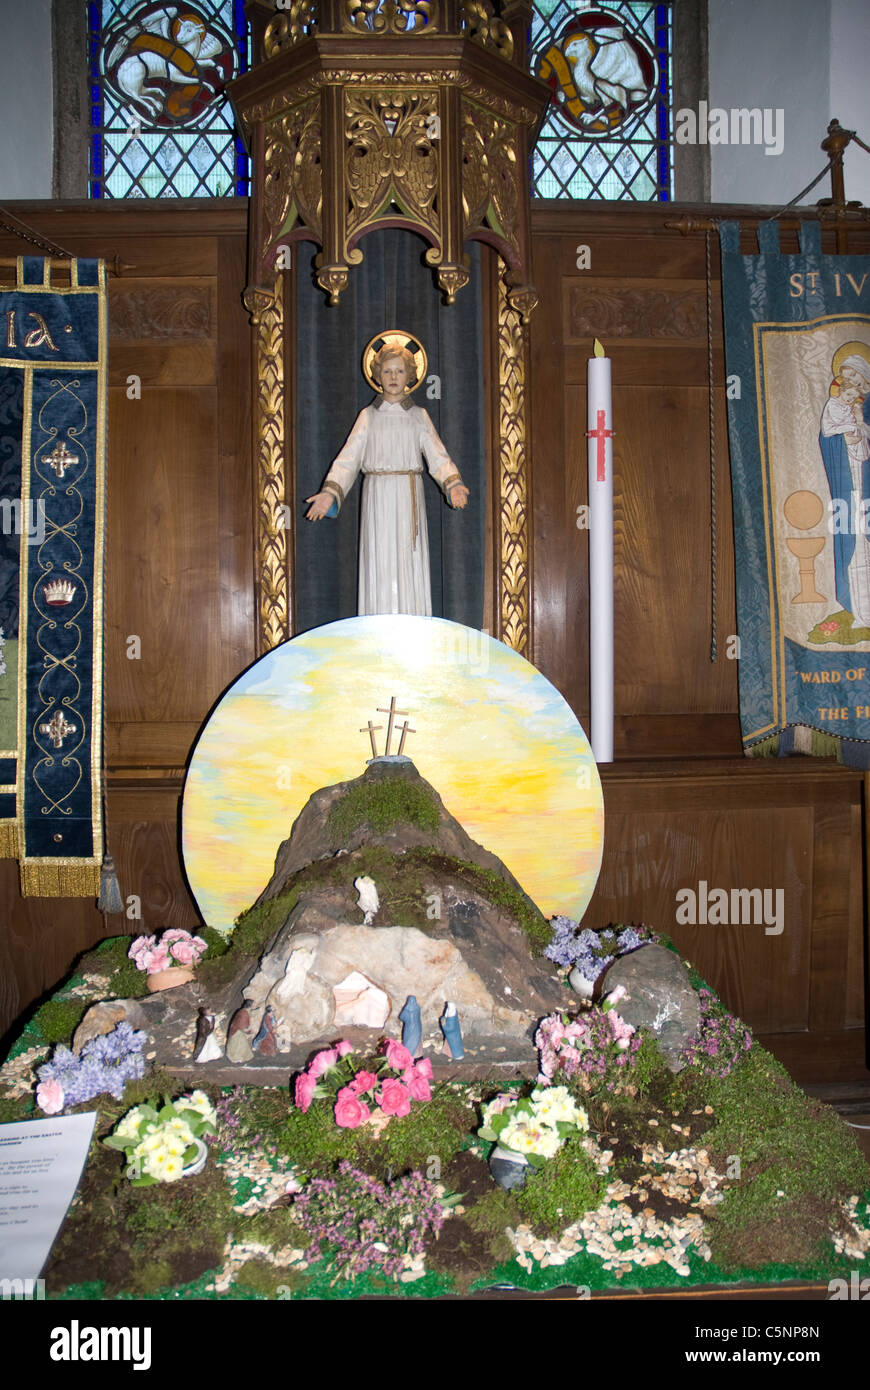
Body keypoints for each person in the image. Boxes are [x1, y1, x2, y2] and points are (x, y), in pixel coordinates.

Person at [305, 344, 469, 616]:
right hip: (378, 497)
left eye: (400, 370)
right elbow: (349, 458)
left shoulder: (419, 417)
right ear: (377, 375)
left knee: (408, 558)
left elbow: (438, 455)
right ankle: (377, 626)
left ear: (411, 376)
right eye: (387, 370)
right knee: (380, 559)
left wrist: (453, 484)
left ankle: (413, 623)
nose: (393, 376)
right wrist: (329, 493)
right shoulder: (368, 417)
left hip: (407, 495)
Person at [819, 350, 870, 625]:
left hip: (863, 484)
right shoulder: (834, 406)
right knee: (851, 536)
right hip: (848, 484)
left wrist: (859, 427)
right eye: (847, 379)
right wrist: (849, 431)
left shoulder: (858, 409)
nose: (851, 385)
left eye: (855, 378)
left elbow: (863, 445)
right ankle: (857, 608)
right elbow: (828, 433)